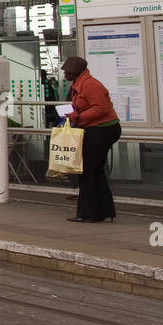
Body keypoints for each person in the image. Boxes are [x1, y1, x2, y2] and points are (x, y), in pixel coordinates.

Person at [61, 56, 119, 222]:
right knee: (94, 171)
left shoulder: (90, 85)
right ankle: (100, 212)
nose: (64, 72)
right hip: (98, 129)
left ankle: (89, 214)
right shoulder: (80, 84)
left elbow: (101, 108)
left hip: (102, 130)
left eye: (67, 70)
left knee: (88, 171)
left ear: (75, 71)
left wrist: (77, 117)